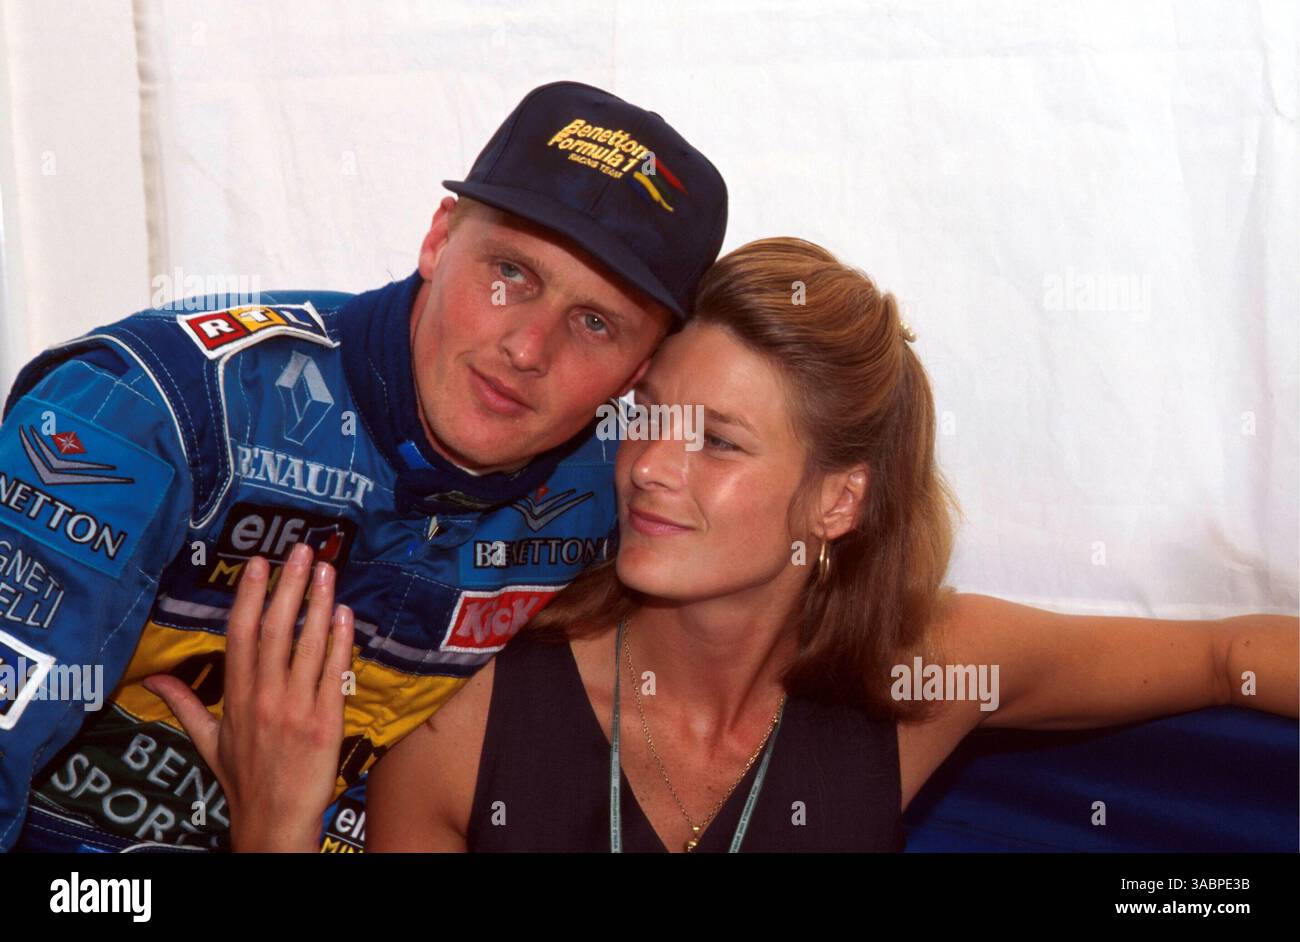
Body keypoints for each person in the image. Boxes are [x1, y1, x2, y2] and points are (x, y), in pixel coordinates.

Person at [160, 237, 1298, 852]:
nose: (652, 466)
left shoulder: (918, 671)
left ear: (836, 503)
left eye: (718, 442)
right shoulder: (472, 713)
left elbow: (1231, 652)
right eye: (648, 418)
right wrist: (274, 832)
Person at [0, 79, 728, 852]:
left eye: (595, 322)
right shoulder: (151, 409)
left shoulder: (626, 488)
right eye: (510, 273)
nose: (527, 349)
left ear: (641, 367)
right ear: (439, 238)